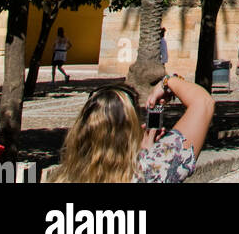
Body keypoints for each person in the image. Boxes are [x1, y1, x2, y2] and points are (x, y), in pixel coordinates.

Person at [51, 73, 214, 183]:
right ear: (132, 129)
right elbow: (203, 103)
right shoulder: (152, 170)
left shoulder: (61, 177)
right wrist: (167, 81)